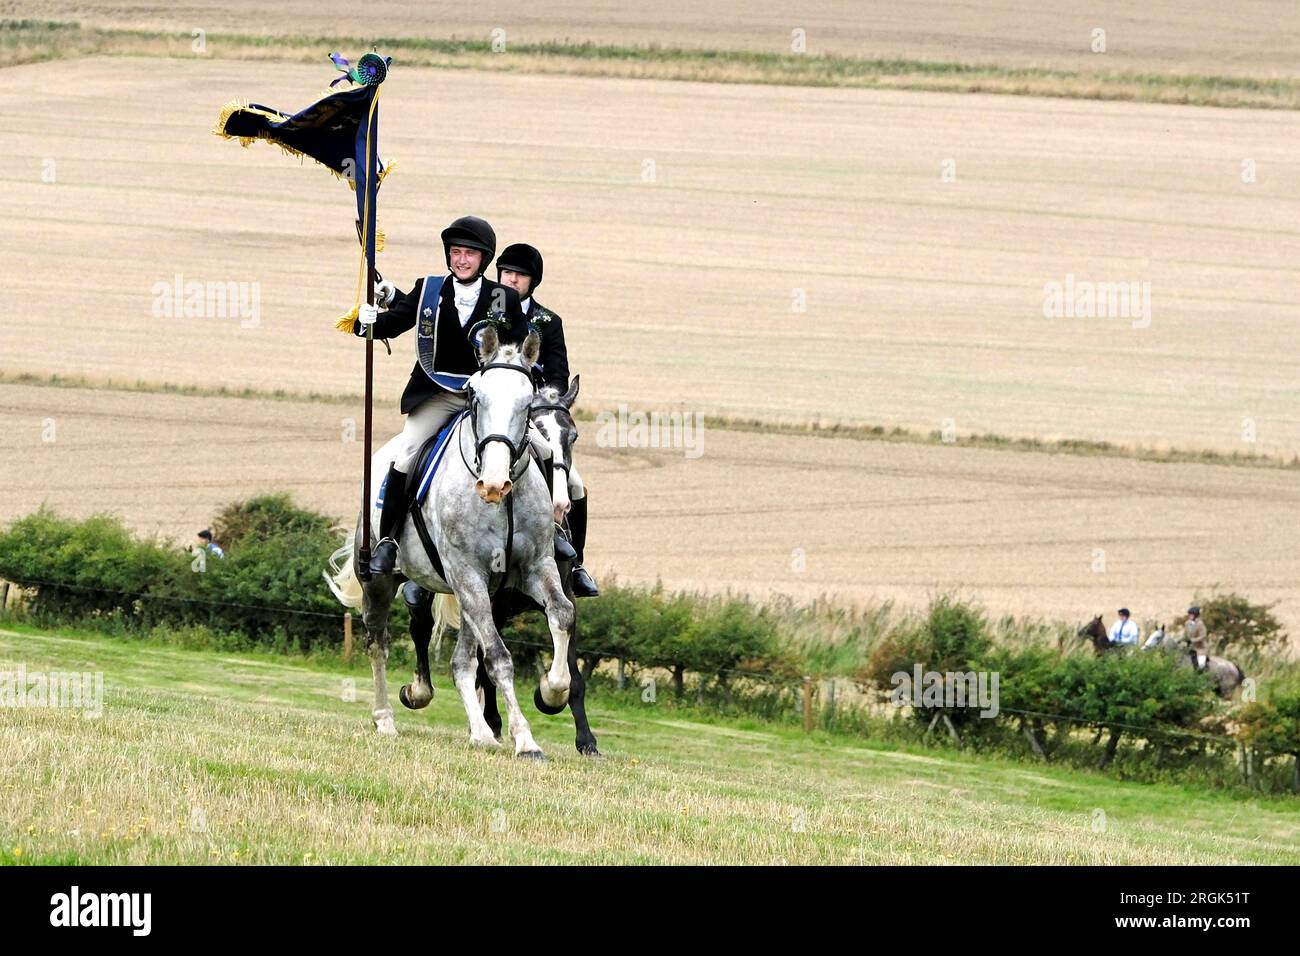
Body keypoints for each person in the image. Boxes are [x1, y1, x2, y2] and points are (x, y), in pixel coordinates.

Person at [355, 215, 528, 575]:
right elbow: (398, 322)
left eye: (469, 254)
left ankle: (556, 535)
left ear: (484, 259)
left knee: (542, 450)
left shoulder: (504, 299)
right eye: (455, 252)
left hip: (487, 400)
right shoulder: (429, 289)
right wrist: (366, 322)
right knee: (406, 453)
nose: (461, 259)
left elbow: (518, 350)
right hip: (436, 394)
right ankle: (388, 541)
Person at [496, 242, 598, 598]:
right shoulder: (486, 311)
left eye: (519, 275)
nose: (511, 280)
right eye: (507, 272)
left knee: (575, 484)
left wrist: (542, 402)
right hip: (491, 414)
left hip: (533, 415)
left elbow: (558, 377)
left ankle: (578, 565)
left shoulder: (548, 323)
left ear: (532, 282)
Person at [1184, 606, 1209, 671]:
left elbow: (1203, 636)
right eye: (1189, 614)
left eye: (1191, 614)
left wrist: (1192, 640)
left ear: (1196, 615)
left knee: (1201, 665)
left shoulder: (1200, 624)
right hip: (1190, 648)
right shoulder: (1187, 623)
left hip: (1200, 648)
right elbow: (1186, 635)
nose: (1189, 616)